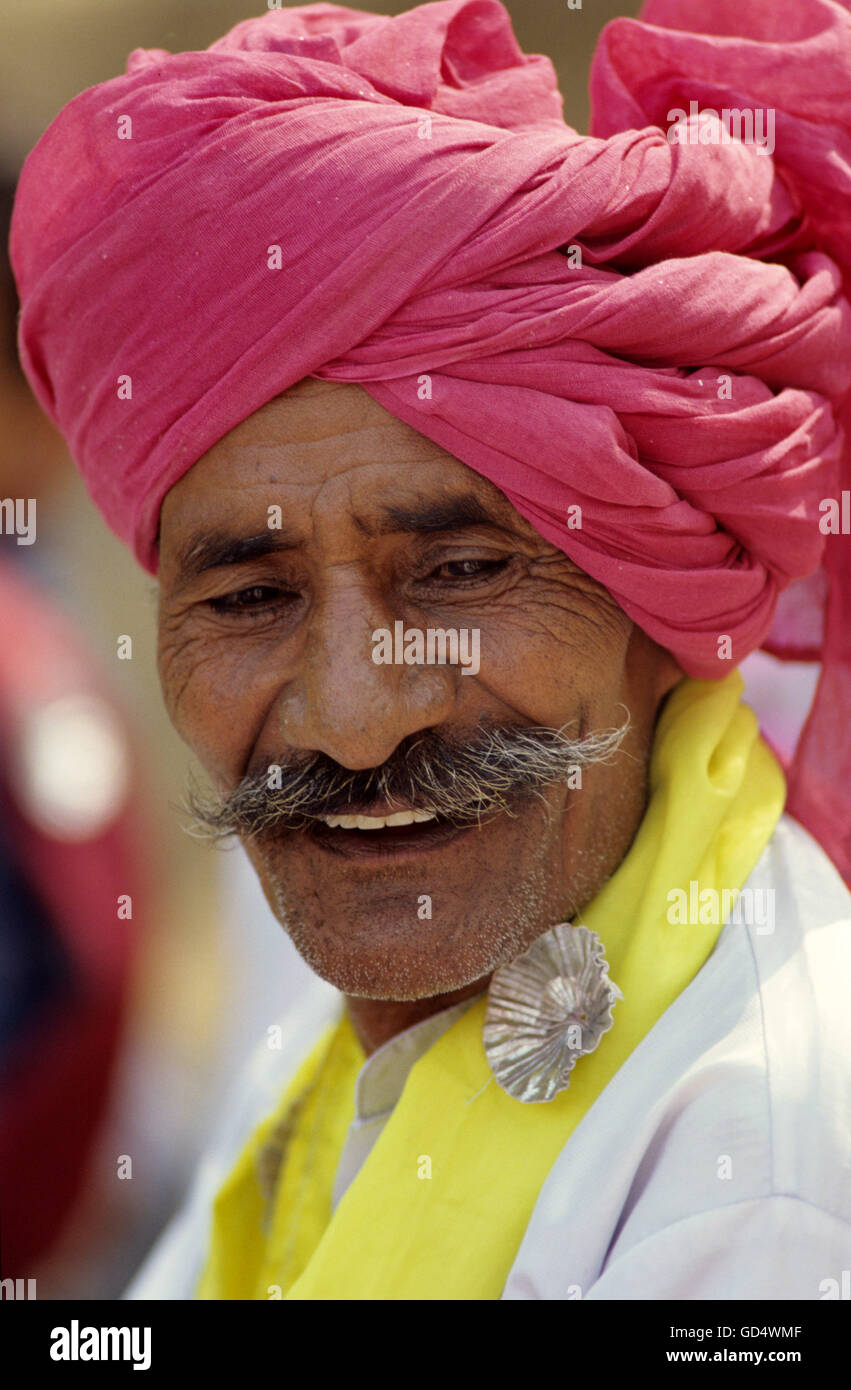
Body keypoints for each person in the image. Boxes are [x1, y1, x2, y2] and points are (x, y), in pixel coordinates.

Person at [9, 0, 851, 1300]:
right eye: (250, 597)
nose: (354, 719)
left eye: (461, 573)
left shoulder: (757, 1175)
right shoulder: (330, 1062)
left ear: (660, 598)